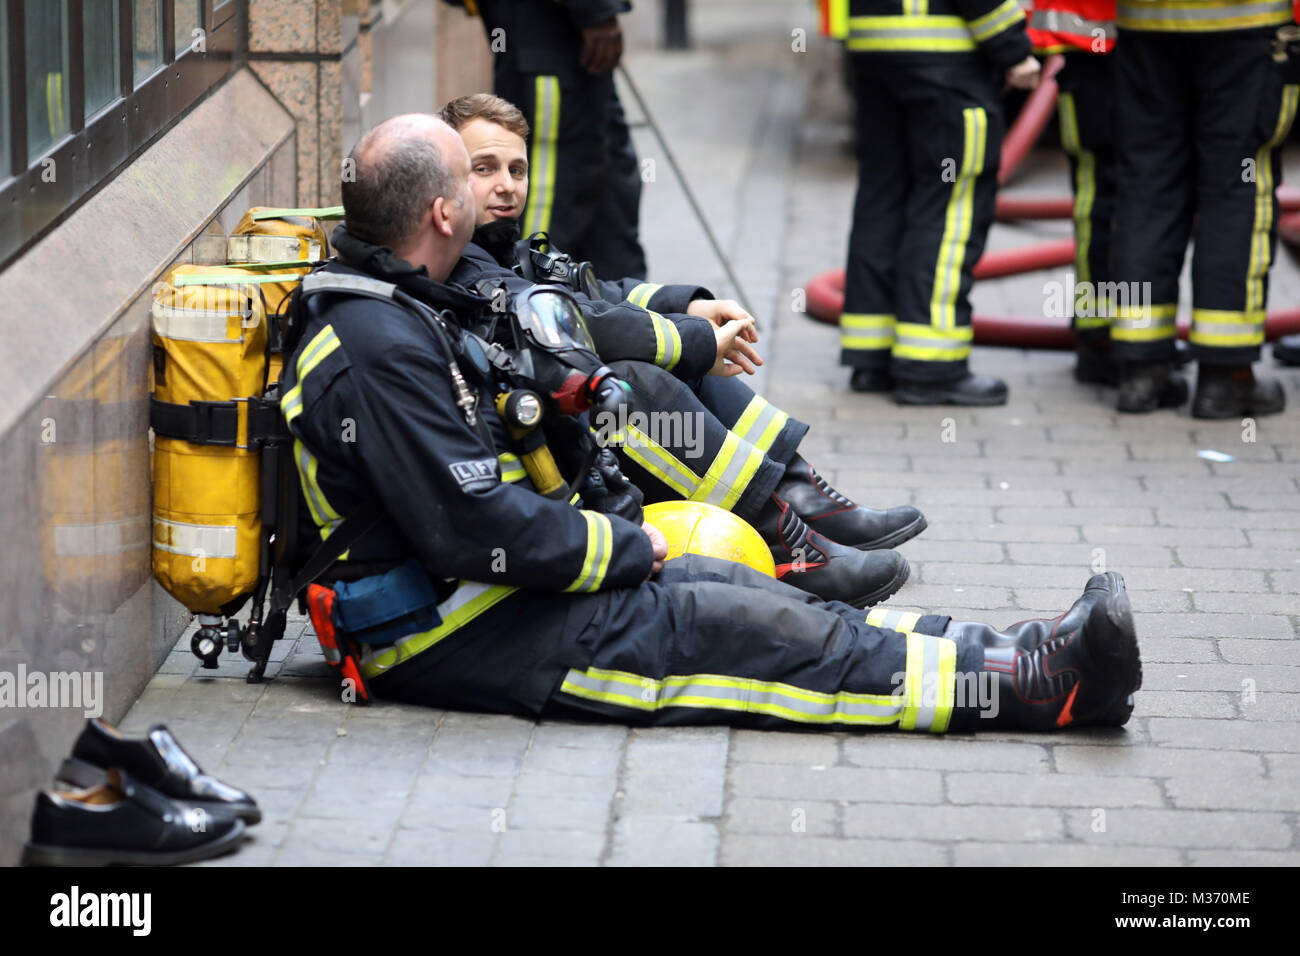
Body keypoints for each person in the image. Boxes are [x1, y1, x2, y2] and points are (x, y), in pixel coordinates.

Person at [278, 112, 1144, 734]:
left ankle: (1029, 649)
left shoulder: (422, 294)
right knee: (749, 637)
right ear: (440, 213)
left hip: (507, 590)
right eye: (469, 175)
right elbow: (472, 528)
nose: (487, 189)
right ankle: (1046, 690)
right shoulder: (375, 345)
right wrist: (634, 550)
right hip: (452, 630)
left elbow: (575, 332)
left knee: (757, 598)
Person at [436, 92, 927, 606]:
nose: (506, 185)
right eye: (484, 168)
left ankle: (802, 496)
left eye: (517, 169)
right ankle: (787, 545)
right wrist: (694, 344)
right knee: (636, 382)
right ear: (446, 179)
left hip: (543, 423)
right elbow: (580, 325)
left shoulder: (501, 245)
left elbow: (596, 294)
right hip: (515, 443)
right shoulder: (462, 262)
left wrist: (689, 308)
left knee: (677, 356)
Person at [833, 0, 1041, 405]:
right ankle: (930, 364)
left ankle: (871, 355)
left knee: (883, 197)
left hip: (872, 48)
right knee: (949, 206)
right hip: (945, 61)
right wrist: (1013, 48)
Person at [1108, 1, 1297, 416]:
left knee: (1147, 187)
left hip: (1144, 26)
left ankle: (1141, 369)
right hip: (1248, 30)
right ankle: (1225, 376)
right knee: (1237, 189)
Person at [466, 0, 647, 278]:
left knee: (609, 193)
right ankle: (525, 300)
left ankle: (618, 305)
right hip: (546, 43)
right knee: (546, 194)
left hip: (571, 50)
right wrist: (598, 12)